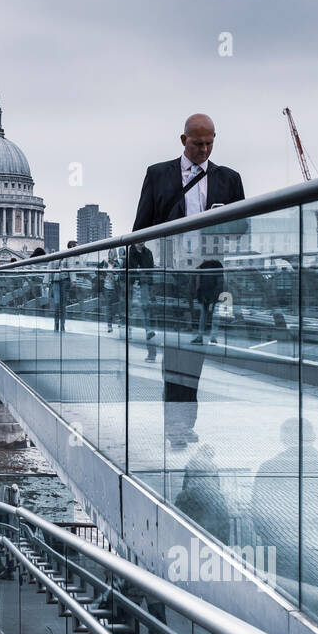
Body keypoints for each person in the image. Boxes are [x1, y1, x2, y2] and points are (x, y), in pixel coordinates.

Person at [131, 115, 247, 449]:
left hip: (208, 276)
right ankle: (177, 425)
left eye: (210, 143)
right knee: (175, 353)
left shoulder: (230, 179)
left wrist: (220, 222)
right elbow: (141, 228)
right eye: (197, 143)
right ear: (183, 140)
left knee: (194, 351)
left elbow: (242, 228)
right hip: (171, 275)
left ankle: (183, 421)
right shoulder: (158, 174)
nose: (204, 149)